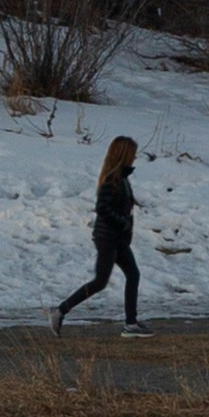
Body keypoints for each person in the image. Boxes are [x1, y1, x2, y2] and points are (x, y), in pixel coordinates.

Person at [57, 134, 145, 328]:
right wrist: (123, 222)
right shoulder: (111, 181)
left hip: (117, 238)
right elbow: (102, 208)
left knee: (133, 274)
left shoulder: (122, 179)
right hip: (108, 238)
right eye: (133, 154)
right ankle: (60, 310)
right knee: (100, 282)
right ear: (124, 155)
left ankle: (131, 323)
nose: (135, 158)